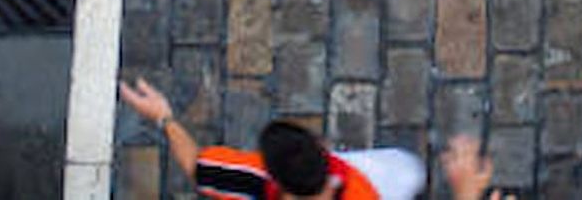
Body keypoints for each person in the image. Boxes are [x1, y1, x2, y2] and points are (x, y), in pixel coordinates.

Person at [119, 76, 427, 198]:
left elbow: (195, 165)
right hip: (378, 183)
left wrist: (164, 117)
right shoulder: (361, 188)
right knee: (407, 169)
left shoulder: (254, 180)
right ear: (322, 148)